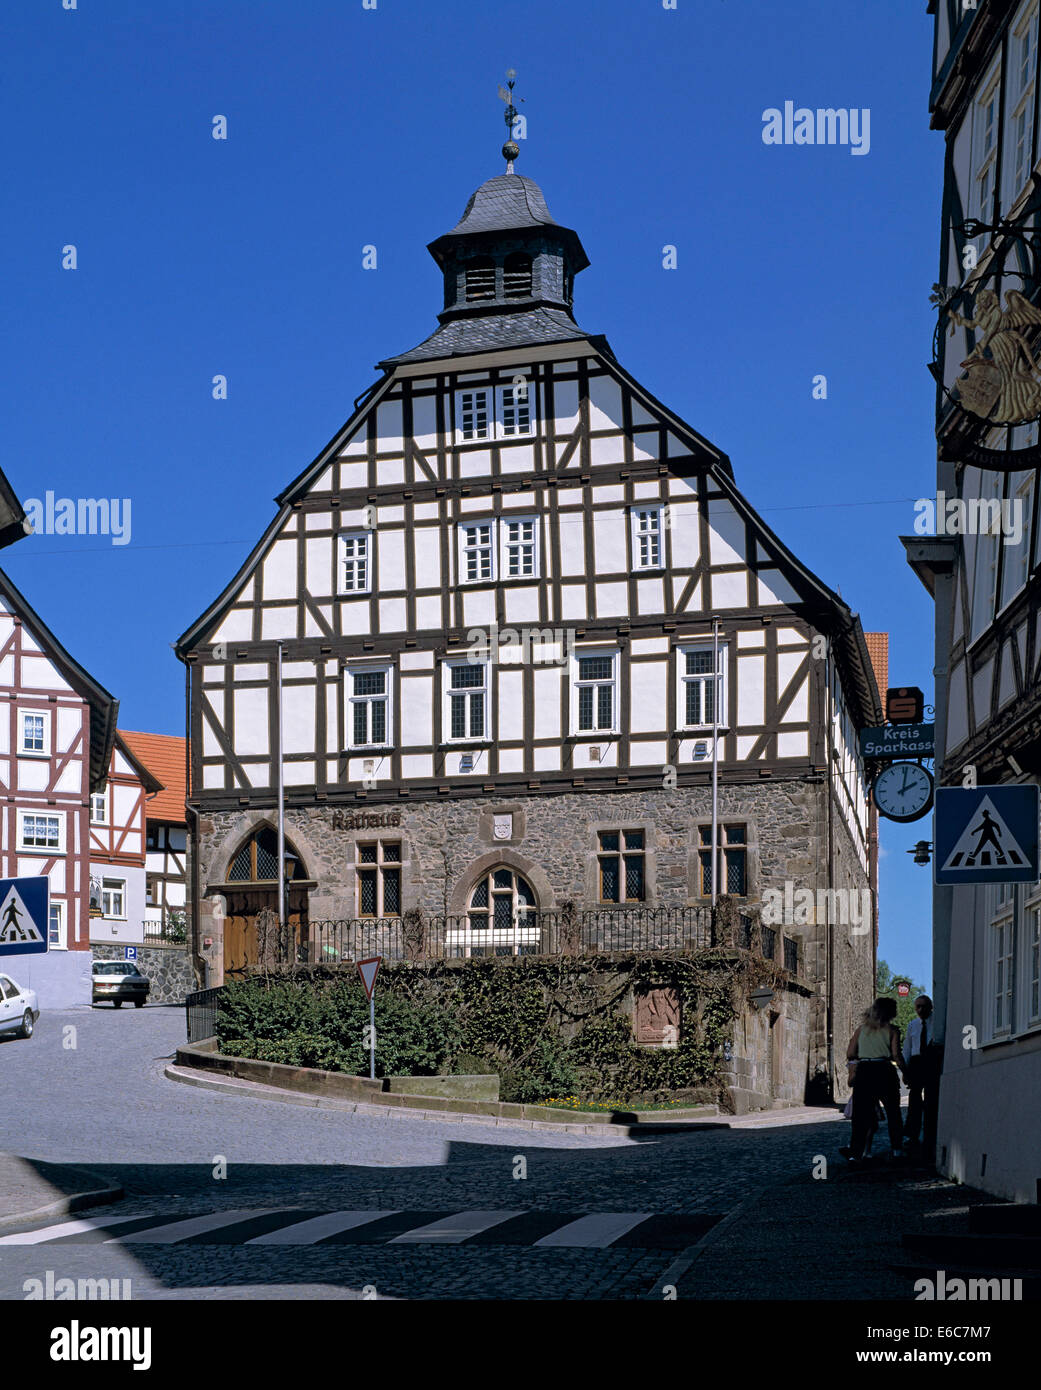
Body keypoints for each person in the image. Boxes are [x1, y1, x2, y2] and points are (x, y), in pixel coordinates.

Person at [839, 997, 904, 1163]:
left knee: (860, 1116)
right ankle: (897, 1150)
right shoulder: (892, 1030)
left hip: (865, 1071)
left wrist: (865, 1052)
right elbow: (896, 1054)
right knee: (893, 1113)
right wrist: (906, 1071)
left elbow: (850, 1053)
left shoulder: (862, 1030)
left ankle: (855, 1153)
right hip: (884, 1070)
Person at [902, 994, 940, 1154]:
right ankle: (913, 1135)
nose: (920, 1009)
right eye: (918, 1006)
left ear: (930, 1007)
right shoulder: (913, 1025)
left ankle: (931, 1135)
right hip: (917, 1063)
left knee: (932, 1099)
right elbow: (908, 1048)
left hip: (931, 1060)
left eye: (924, 1006)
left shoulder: (937, 1022)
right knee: (914, 1100)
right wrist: (905, 1069)